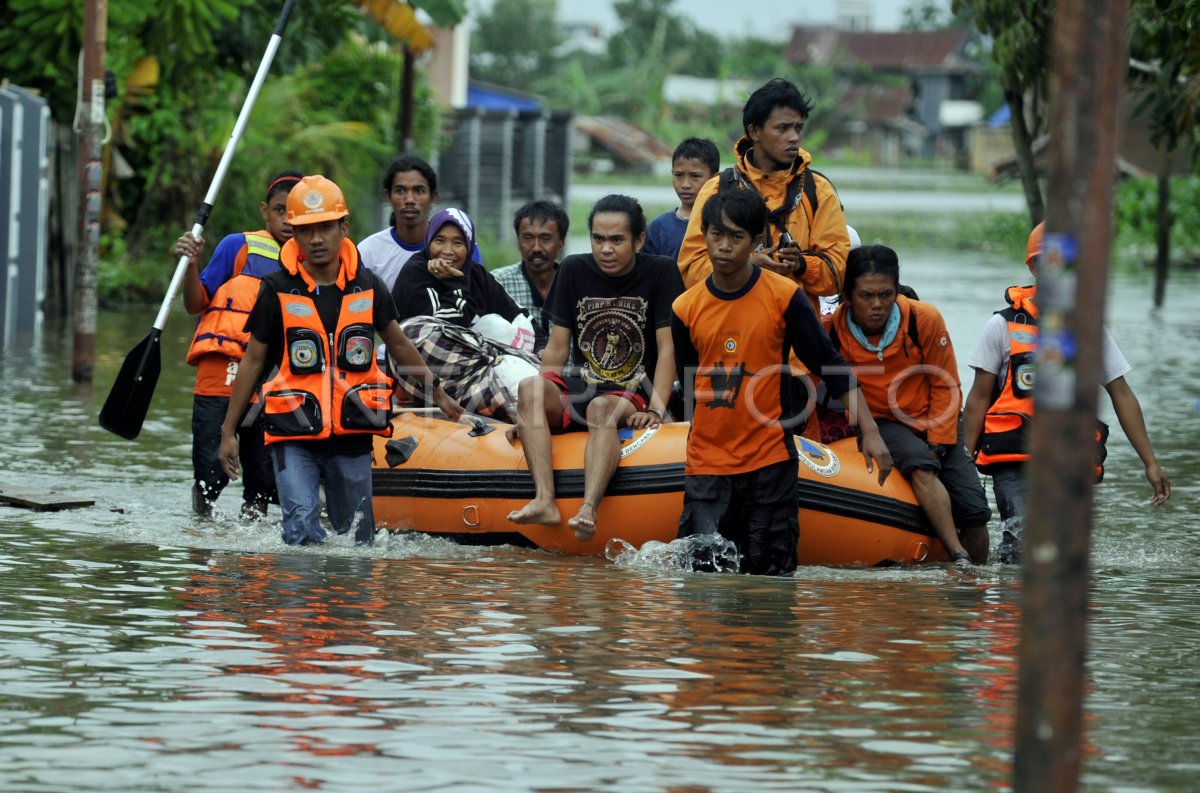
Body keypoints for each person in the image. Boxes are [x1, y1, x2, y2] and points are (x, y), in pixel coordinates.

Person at [219, 175, 463, 546]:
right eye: (306, 230)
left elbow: (399, 346)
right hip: (293, 431)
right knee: (300, 530)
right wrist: (228, 430)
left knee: (357, 542)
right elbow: (252, 361)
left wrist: (439, 394)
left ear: (343, 228)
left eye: (325, 228)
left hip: (352, 432)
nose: (316, 239)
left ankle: (344, 604)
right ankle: (302, 601)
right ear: (294, 234)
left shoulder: (368, 286)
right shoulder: (276, 289)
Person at [671, 190, 893, 576]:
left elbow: (830, 365)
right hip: (707, 464)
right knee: (702, 582)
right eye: (716, 235)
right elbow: (690, 383)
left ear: (757, 240)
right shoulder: (684, 308)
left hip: (768, 461)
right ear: (702, 234)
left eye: (736, 237)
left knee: (771, 578)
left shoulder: (784, 296)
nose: (724, 247)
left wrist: (870, 431)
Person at [962, 222, 1171, 563]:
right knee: (1018, 545)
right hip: (1013, 457)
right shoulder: (1000, 325)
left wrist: (1150, 462)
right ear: (1033, 267)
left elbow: (1121, 393)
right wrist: (965, 462)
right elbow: (977, 400)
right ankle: (1012, 607)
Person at [507, 195, 685, 540]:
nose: (606, 248)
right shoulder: (574, 269)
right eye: (598, 238)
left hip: (632, 389)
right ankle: (544, 500)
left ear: (639, 240)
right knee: (529, 388)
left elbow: (667, 350)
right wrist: (531, 412)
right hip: (581, 384)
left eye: (616, 240)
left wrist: (657, 409)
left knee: (601, 408)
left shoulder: (660, 272)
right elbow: (557, 346)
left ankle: (588, 507)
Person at [828, 245, 991, 564]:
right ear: (847, 295)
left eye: (885, 295)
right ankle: (958, 556)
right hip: (882, 421)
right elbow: (805, 375)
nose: (877, 305)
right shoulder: (832, 330)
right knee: (920, 465)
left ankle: (979, 579)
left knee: (975, 512)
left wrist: (940, 442)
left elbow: (945, 384)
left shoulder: (923, 319)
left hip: (936, 418)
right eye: (866, 296)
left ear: (896, 290)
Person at [176, 169, 302, 518]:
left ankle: (253, 563)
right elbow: (195, 304)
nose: (289, 221)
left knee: (262, 482)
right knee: (208, 477)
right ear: (265, 210)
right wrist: (191, 264)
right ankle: (201, 536)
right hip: (221, 378)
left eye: (297, 213)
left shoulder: (313, 262)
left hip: (273, 386)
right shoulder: (237, 246)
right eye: (281, 210)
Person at [676, 78, 849, 314]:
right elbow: (690, 269)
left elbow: (838, 272)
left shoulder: (817, 190)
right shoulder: (717, 189)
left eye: (798, 128)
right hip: (730, 330)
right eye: (783, 128)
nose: (794, 137)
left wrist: (800, 264)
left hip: (794, 342)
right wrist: (746, 268)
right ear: (754, 131)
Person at [392, 207, 526, 329]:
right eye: (439, 240)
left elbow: (517, 314)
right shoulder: (416, 272)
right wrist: (456, 284)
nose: (448, 251)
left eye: (457, 242)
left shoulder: (477, 274)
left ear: (469, 247)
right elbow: (441, 330)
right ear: (429, 241)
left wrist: (539, 347)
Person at [491, 200, 570, 351]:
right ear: (518, 242)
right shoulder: (498, 283)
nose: (536, 247)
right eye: (528, 238)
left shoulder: (574, 286)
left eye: (545, 238)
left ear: (561, 242)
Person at [642, 138, 720, 261]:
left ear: (715, 178)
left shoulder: (724, 223)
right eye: (678, 175)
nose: (685, 184)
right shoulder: (658, 228)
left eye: (695, 176)